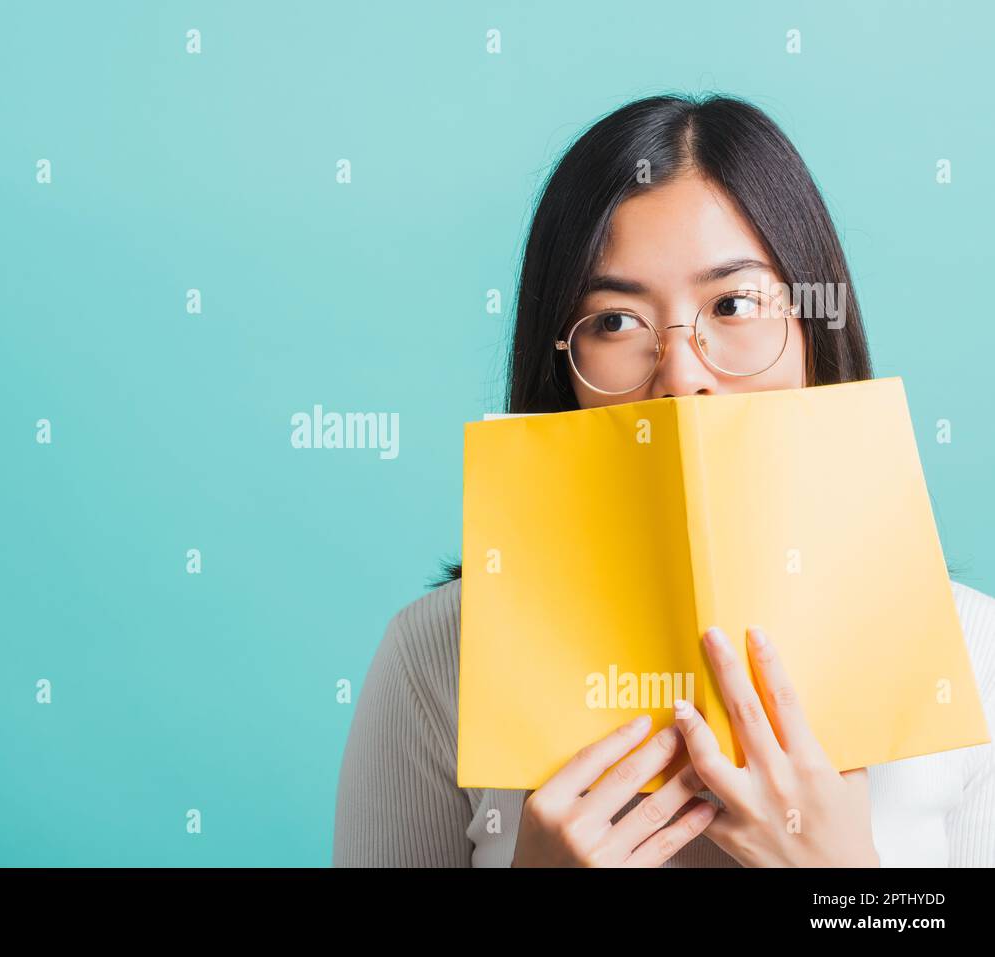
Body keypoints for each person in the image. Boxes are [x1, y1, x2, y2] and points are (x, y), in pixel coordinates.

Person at [331, 93, 995, 867]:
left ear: (816, 327)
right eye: (614, 320)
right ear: (560, 364)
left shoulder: (974, 655)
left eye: (733, 303)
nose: (681, 376)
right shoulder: (436, 655)